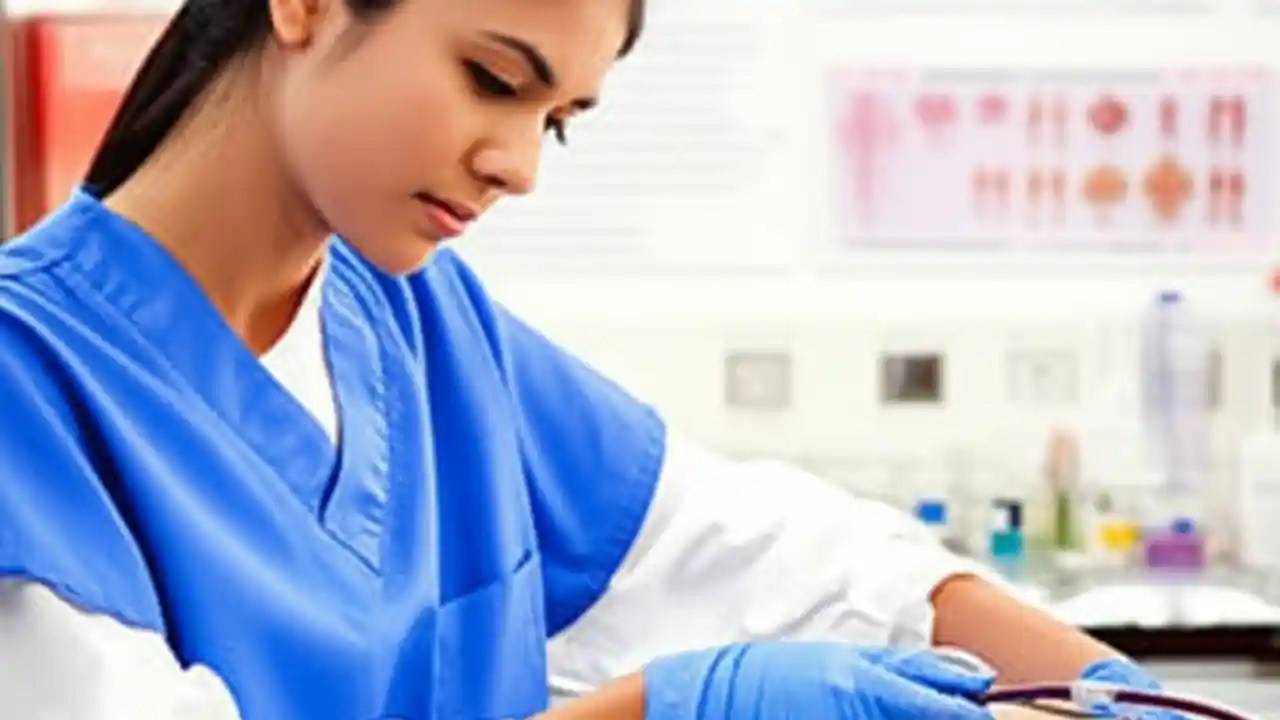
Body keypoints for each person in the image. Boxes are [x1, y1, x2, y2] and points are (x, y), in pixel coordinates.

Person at [0, 0, 1183, 717]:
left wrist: (1127, 702)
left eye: (555, 117)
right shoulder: (31, 387)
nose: (519, 163)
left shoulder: (424, 334)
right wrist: (663, 714)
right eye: (493, 80)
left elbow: (788, 561)